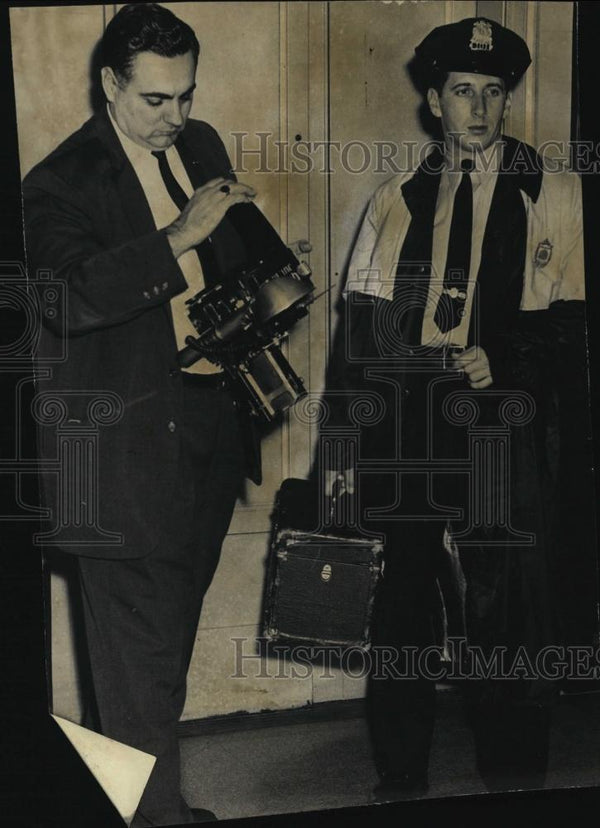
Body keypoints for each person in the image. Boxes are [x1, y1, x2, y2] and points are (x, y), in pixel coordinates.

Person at [323, 16, 587, 802]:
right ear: (435, 101)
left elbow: (574, 325)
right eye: (463, 91)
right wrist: (341, 455)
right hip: (413, 414)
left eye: (493, 92)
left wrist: (503, 359)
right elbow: (359, 340)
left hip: (501, 419)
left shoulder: (553, 190)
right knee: (403, 591)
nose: (479, 108)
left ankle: (515, 773)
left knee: (508, 600)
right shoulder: (396, 199)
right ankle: (401, 768)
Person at [23, 3, 266, 825]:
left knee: (162, 647)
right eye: (156, 99)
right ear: (110, 83)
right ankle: (157, 816)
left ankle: (141, 803)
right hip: (118, 453)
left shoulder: (200, 145)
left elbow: (233, 253)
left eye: (186, 95)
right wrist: (179, 236)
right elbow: (67, 297)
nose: (176, 117)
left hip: (207, 428)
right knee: (135, 659)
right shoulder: (57, 183)